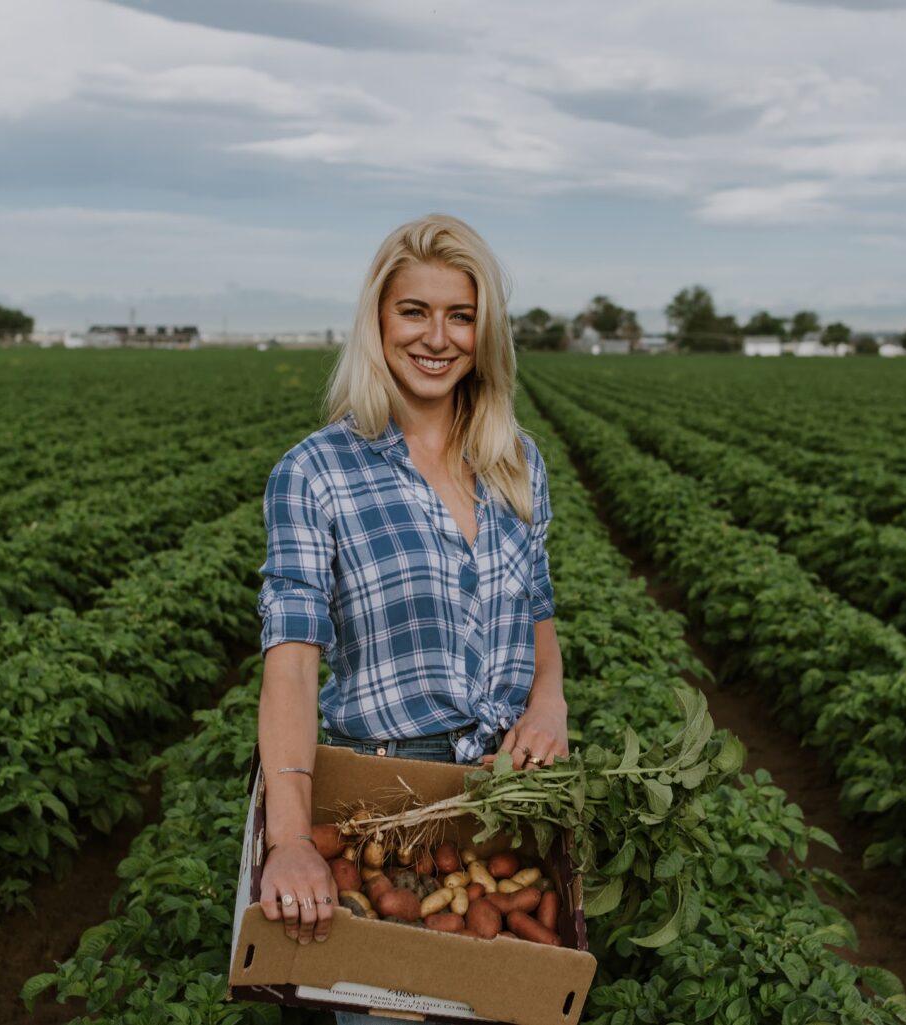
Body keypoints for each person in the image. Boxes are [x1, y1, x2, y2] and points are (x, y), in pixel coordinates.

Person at [253, 213, 567, 1021]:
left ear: (484, 331)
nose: (438, 337)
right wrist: (289, 837)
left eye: (460, 315)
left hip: (504, 793)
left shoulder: (513, 457)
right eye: (414, 311)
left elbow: (537, 607)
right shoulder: (315, 472)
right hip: (385, 800)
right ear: (378, 322)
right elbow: (290, 659)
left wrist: (549, 704)